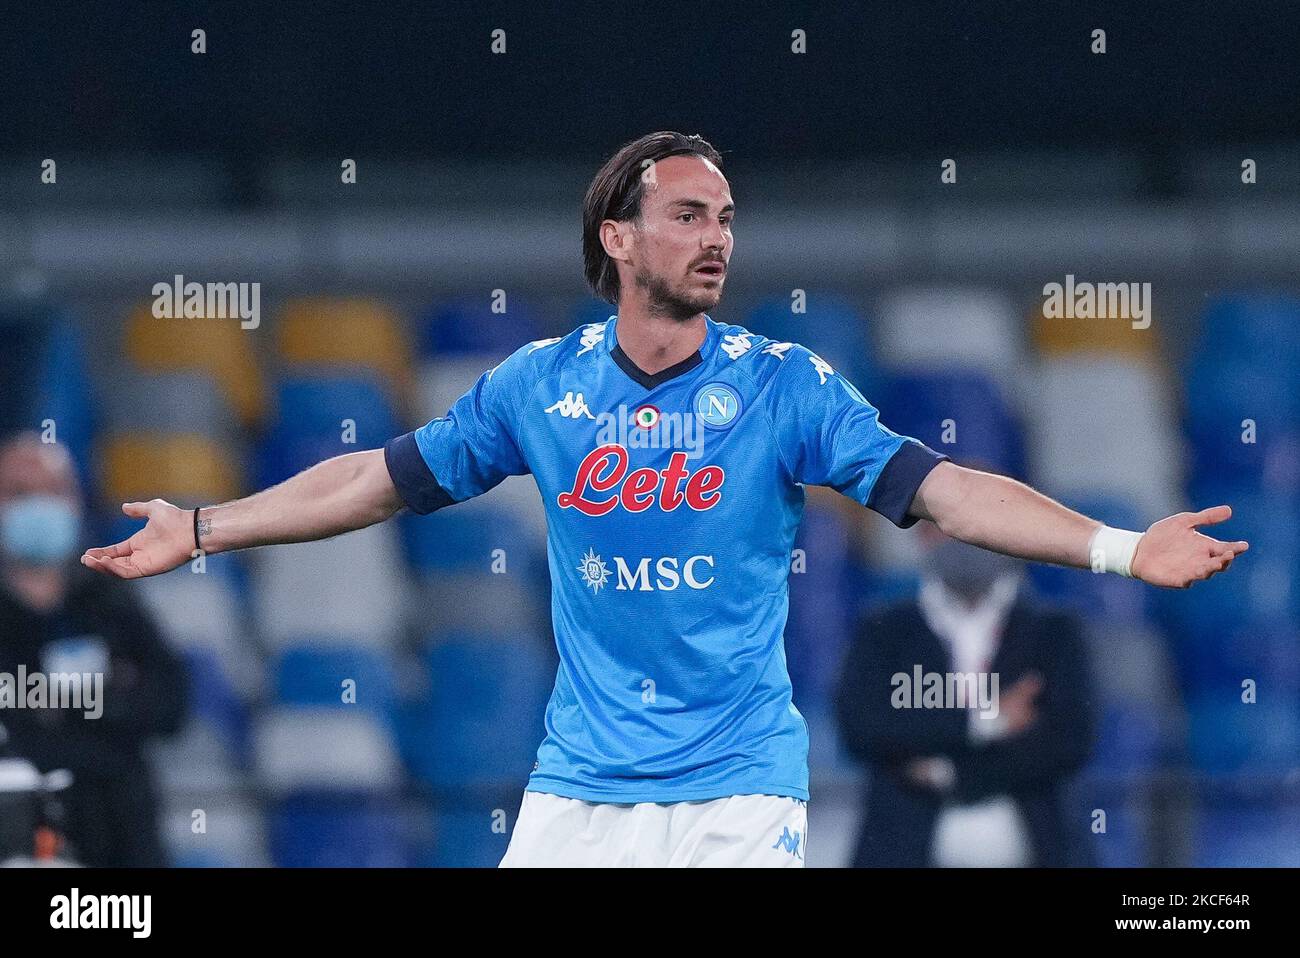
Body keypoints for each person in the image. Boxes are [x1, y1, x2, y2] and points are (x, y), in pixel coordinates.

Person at [81, 131, 1248, 868]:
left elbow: (948, 492)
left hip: (735, 790)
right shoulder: (537, 387)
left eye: (727, 218)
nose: (717, 238)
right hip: (578, 785)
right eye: (690, 214)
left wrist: (1116, 546)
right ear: (618, 237)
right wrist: (200, 526)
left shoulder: (785, 387)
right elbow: (369, 482)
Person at [835, 527, 1095, 867]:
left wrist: (948, 772)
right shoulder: (885, 629)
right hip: (900, 848)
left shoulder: (1053, 633)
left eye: (979, 529)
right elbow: (863, 726)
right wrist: (987, 721)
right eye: (948, 528)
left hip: (1040, 846)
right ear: (923, 536)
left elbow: (1069, 739)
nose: (966, 544)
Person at [0, 433, 188, 866]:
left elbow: (171, 702)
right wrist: (106, 695)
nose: (36, 506)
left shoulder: (112, 599)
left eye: (52, 492)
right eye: (19, 493)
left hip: (121, 832)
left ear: (76, 501)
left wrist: (47, 704)